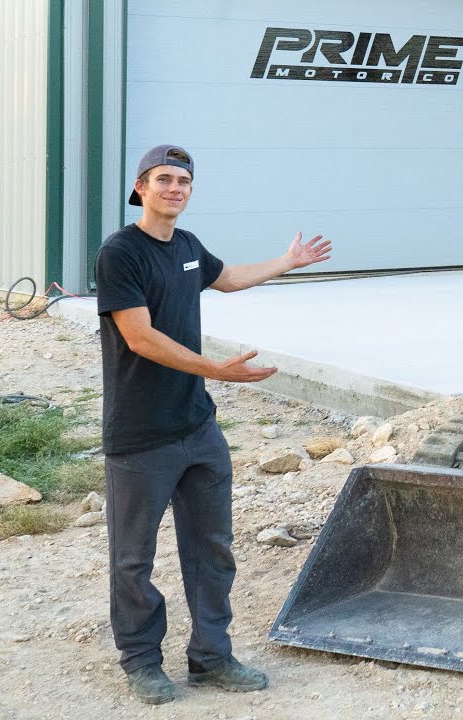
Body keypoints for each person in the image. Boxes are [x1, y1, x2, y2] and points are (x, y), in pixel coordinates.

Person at [95, 144, 331, 705]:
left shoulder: (187, 246)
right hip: (140, 435)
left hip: (197, 428)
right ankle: (141, 660)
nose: (175, 188)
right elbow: (139, 337)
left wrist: (285, 262)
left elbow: (227, 278)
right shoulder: (121, 253)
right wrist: (215, 371)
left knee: (212, 550)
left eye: (184, 181)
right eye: (164, 180)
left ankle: (210, 655)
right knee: (134, 558)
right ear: (140, 188)